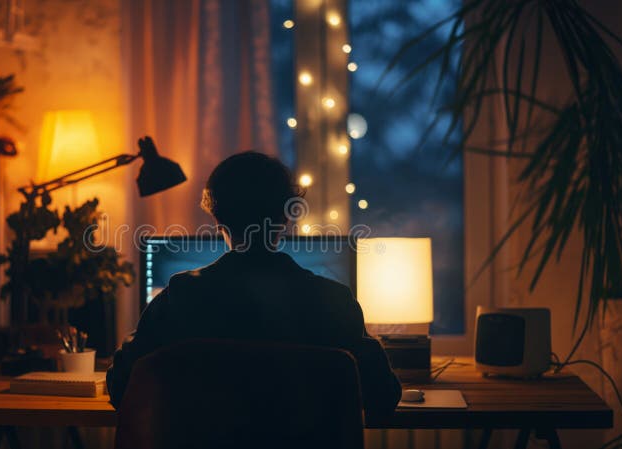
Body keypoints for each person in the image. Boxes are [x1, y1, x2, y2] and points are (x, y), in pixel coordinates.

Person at [106, 151, 401, 421]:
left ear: (217, 219)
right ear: (285, 217)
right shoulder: (334, 300)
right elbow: (383, 397)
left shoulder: (180, 297)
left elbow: (121, 386)